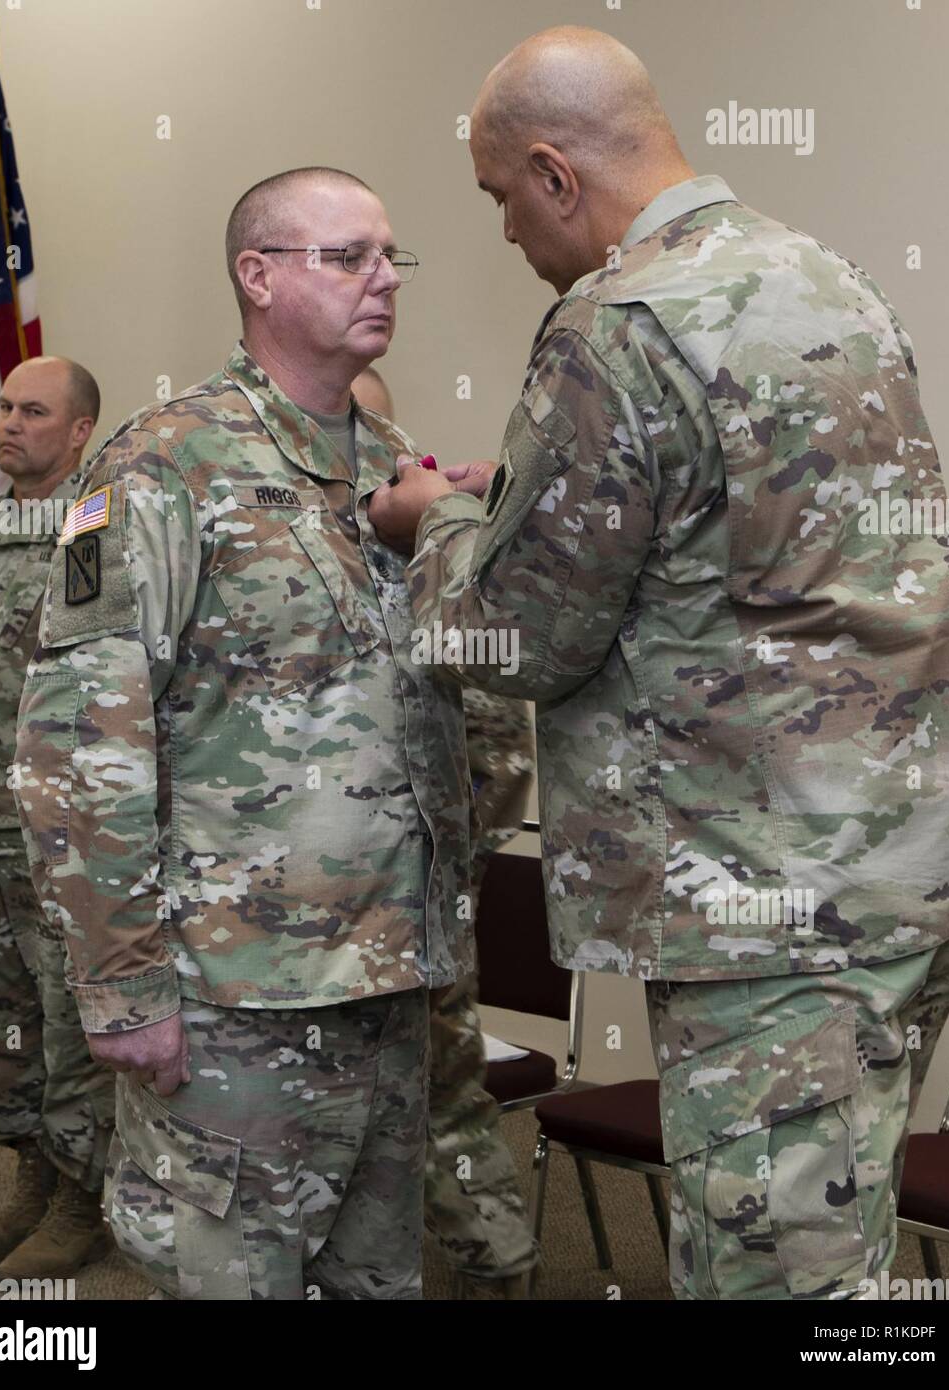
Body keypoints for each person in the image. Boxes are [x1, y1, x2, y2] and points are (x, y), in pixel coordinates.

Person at [369, 26, 949, 1301]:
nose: (503, 238)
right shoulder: (825, 279)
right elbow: (729, 542)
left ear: (551, 173)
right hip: (893, 873)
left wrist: (437, 528)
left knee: (776, 1287)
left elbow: (522, 637)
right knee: (844, 1261)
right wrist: (520, 513)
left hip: (757, 911)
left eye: (496, 200)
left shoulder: (614, 325)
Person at [13, 168, 473, 1301]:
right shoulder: (157, 465)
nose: (381, 279)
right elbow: (78, 738)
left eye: (389, 257)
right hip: (235, 1000)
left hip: (384, 981)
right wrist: (121, 987)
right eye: (345, 255)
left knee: (378, 1281)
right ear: (256, 276)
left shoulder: (389, 466)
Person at [352, 366, 539, 1296]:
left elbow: (504, 743)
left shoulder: (438, 542)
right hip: (305, 910)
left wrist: (442, 857)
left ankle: (498, 1274)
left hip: (418, 894)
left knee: (443, 1102)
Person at [0, 356, 114, 1278]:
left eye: (34, 410)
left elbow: (107, 683)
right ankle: (28, 1187)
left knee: (69, 1023)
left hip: (57, 830)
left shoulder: (92, 530)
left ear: (80, 428)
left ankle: (81, 1204)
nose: (10, 422)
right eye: (4, 405)